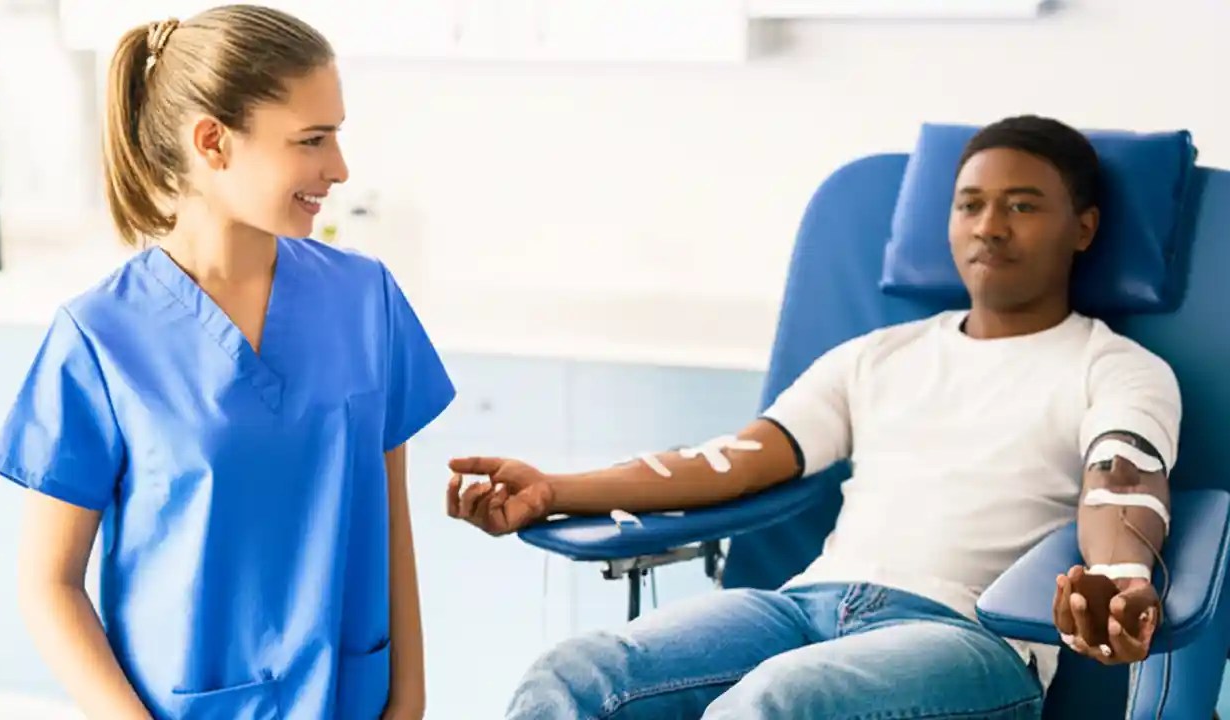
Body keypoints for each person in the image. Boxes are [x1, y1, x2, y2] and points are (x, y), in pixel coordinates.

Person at [446, 115, 1179, 719]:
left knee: (771, 704)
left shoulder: (1113, 367)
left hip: (965, 638)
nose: (989, 226)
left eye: (1022, 205)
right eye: (969, 204)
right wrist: (554, 489)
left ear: (1083, 228)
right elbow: (730, 460)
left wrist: (1117, 577)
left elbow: (1121, 480)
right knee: (574, 674)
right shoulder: (876, 356)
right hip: (803, 608)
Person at [0, 6, 453, 719]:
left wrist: (409, 703)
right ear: (214, 142)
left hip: (354, 700)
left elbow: (393, 525)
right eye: (312, 139)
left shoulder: (366, 300)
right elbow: (49, 585)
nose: (339, 167)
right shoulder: (101, 337)